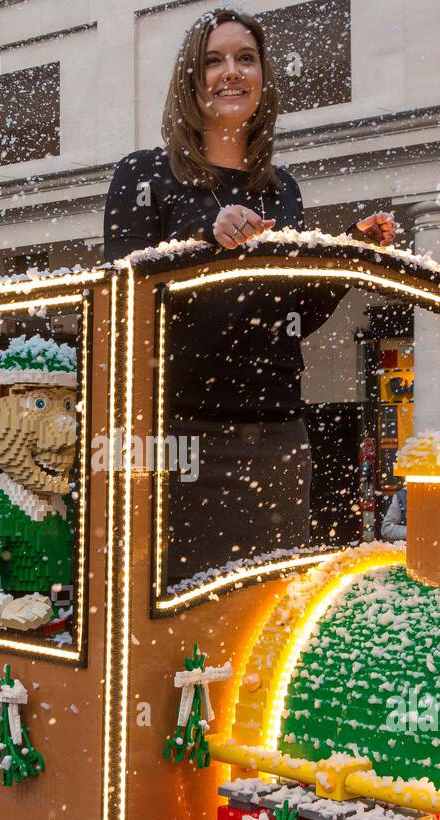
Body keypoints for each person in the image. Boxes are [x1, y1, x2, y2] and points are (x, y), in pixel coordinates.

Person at [102, 8, 396, 581]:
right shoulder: (145, 173)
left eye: (245, 58)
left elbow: (290, 316)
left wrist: (345, 256)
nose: (230, 72)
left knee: (266, 614)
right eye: (213, 60)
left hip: (277, 435)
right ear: (191, 79)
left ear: (263, 77)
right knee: (180, 622)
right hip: (175, 435)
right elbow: (121, 291)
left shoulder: (281, 190)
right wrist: (202, 243)